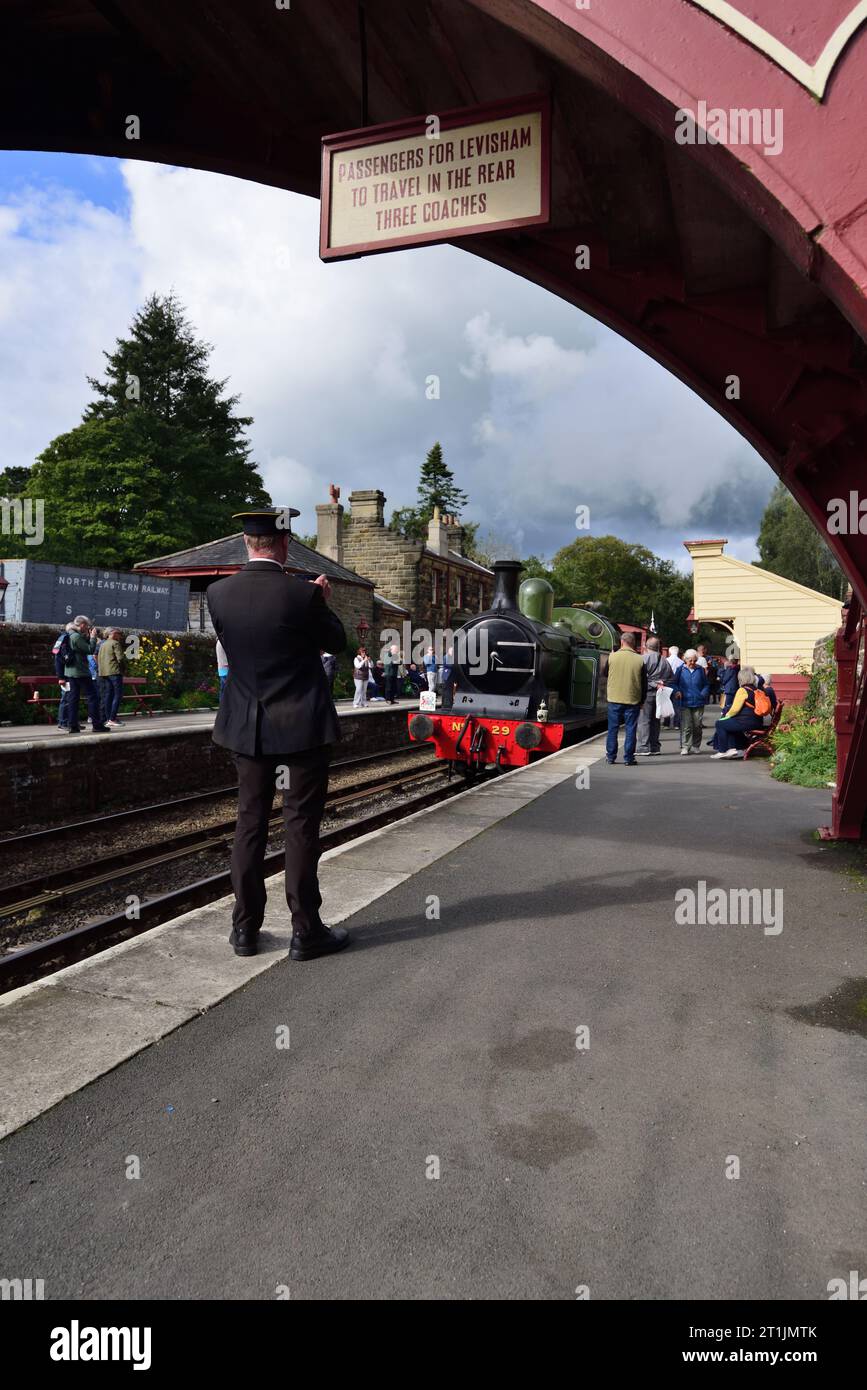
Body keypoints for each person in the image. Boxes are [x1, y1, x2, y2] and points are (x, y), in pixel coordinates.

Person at [207, 507, 349, 963]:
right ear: (284, 544)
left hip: (246, 731)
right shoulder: (302, 596)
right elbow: (337, 642)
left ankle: (245, 930)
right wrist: (321, 602)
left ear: (247, 543)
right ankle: (306, 932)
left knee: (249, 824)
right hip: (301, 731)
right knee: (300, 826)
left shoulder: (217, 594)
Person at [605, 631, 647, 765]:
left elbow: (604, 673)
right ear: (633, 643)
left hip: (614, 698)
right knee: (631, 729)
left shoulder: (612, 657)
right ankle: (629, 758)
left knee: (613, 729)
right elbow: (644, 683)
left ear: (622, 642)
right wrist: (642, 700)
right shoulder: (640, 659)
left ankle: (611, 757)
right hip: (632, 699)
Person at [64, 616, 110, 734]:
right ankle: (97, 724)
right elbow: (90, 649)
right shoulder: (76, 636)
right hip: (80, 672)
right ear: (82, 624)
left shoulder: (69, 634)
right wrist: (93, 637)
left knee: (73, 699)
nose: (88, 627)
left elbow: (79, 647)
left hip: (70, 672)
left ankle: (73, 725)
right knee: (93, 697)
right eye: (87, 625)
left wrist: (87, 636)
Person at [710, 666, 766, 757]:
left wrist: (726, 715)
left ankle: (723, 750)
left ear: (741, 679)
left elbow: (735, 709)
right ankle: (735, 749)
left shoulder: (743, 690)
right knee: (729, 724)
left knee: (719, 723)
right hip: (757, 721)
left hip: (746, 722)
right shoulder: (756, 689)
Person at [637, 636, 673, 756]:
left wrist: (653, 683)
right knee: (656, 720)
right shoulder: (665, 661)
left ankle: (643, 747)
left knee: (644, 721)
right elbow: (671, 678)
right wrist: (661, 684)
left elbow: (639, 678)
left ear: (646, 646)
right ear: (659, 647)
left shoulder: (642, 659)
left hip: (646, 693)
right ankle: (655, 747)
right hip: (660, 694)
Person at [670, 648, 709, 754]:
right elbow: (673, 683)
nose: (692, 663)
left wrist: (703, 694)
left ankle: (696, 745)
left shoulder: (700, 669)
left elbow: (706, 684)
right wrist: (677, 691)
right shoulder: (680, 670)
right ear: (685, 660)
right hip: (685, 702)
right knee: (686, 726)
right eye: (690, 660)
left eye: (694, 660)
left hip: (698, 701)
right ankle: (685, 746)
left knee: (697, 726)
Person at [97, 627, 126, 727]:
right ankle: (112, 718)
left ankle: (108, 718)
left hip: (103, 673)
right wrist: (123, 669)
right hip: (114, 672)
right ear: (113, 634)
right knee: (118, 695)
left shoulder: (102, 644)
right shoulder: (115, 643)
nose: (120, 636)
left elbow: (98, 658)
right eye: (118, 633)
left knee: (108, 696)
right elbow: (120, 659)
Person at [52, 621, 76, 729]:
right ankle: (63, 722)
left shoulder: (65, 638)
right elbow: (58, 659)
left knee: (70, 698)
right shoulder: (65, 639)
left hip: (69, 674)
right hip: (66, 675)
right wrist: (61, 677)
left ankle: (71, 721)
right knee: (66, 698)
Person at [667, 644, 684, 729]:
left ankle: (666, 724)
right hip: (677, 685)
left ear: (669, 653)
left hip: (667, 684)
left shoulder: (666, 660)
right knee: (677, 705)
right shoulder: (681, 662)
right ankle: (676, 724)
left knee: (667, 703)